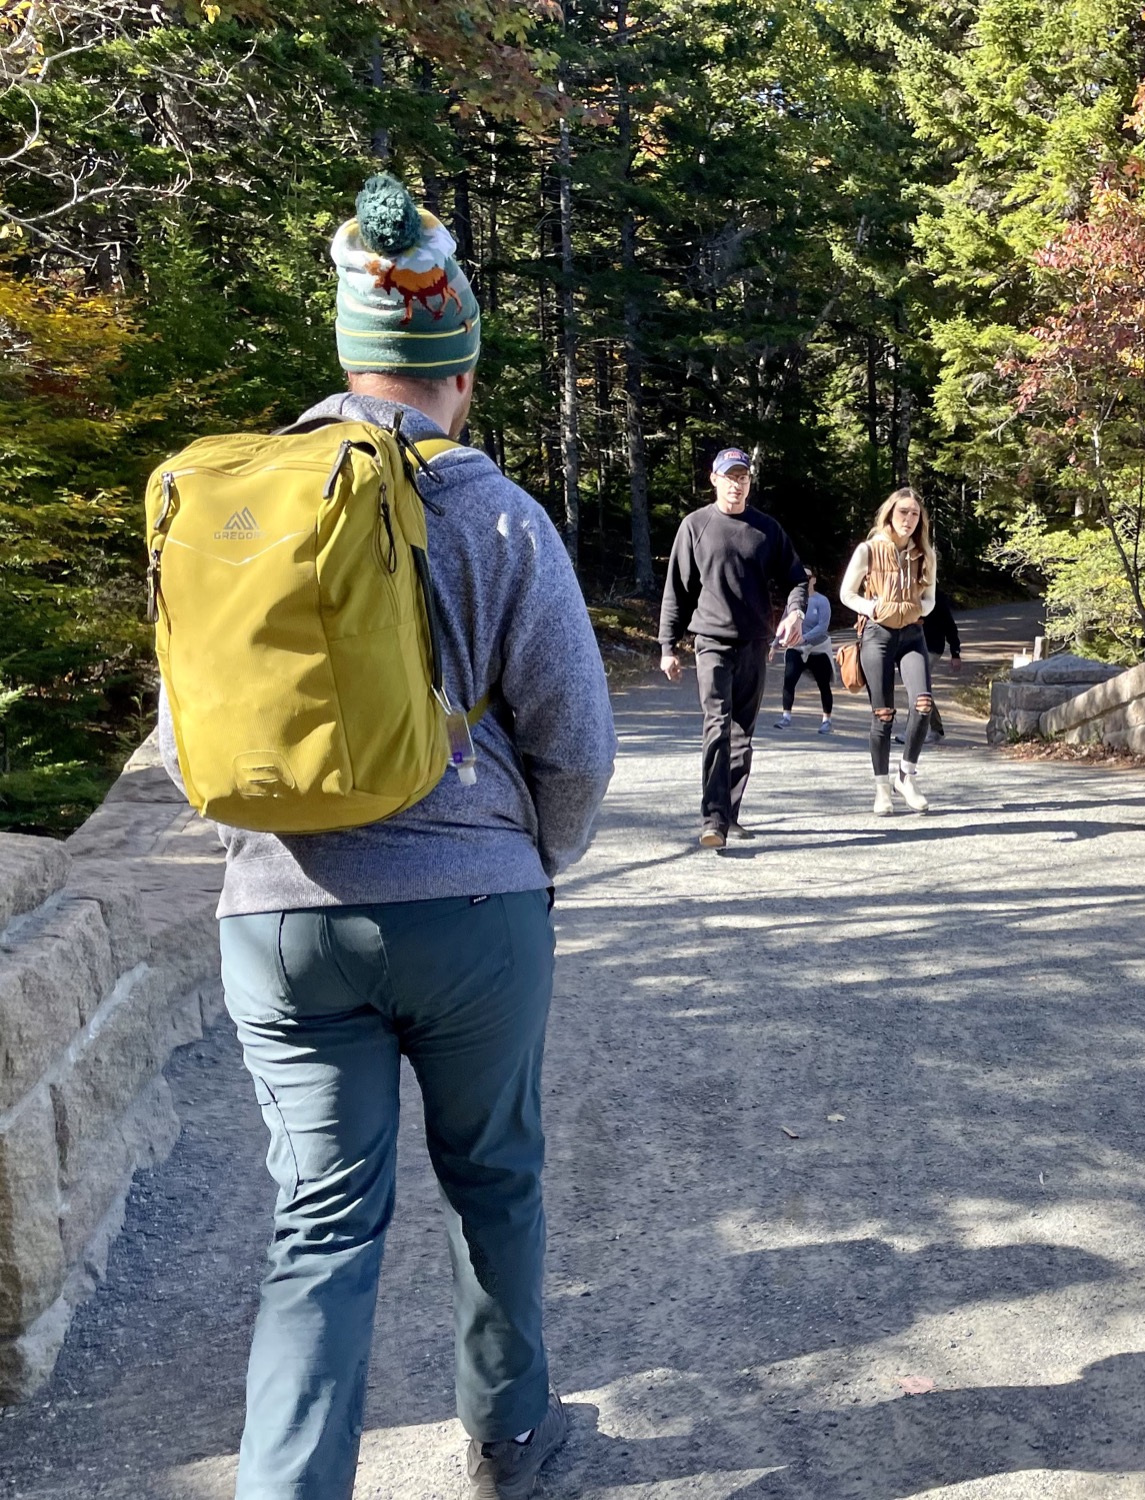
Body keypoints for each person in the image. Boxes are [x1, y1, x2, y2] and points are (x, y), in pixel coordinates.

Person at [157, 175, 617, 1500]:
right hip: (474, 913)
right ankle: (511, 1439)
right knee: (495, 1182)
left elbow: (199, 744)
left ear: (349, 357)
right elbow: (576, 749)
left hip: (278, 917)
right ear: (456, 372)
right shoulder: (497, 513)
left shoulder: (230, 509)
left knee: (317, 1226)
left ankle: (288, 1485)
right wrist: (530, 864)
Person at [658, 447, 808, 849]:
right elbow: (677, 590)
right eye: (729, 478)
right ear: (714, 480)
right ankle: (713, 819)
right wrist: (667, 646)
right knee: (717, 725)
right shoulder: (696, 526)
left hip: (756, 644)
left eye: (743, 478)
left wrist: (795, 613)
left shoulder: (766, 530)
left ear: (749, 483)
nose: (736, 485)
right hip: (710, 642)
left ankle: (730, 814)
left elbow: (797, 578)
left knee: (743, 732)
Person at [839, 487, 938, 814]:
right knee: (883, 715)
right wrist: (873, 608)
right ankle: (882, 787)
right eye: (903, 513)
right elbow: (846, 593)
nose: (908, 519)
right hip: (877, 634)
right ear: (890, 515)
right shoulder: (869, 550)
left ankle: (905, 776)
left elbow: (931, 597)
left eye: (914, 514)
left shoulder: (925, 553)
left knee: (923, 705)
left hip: (912, 635)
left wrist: (918, 611)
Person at [777, 567, 835, 734]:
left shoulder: (821, 601)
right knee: (789, 681)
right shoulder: (794, 600)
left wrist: (805, 638)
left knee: (823, 684)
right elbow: (784, 620)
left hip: (818, 649)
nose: (805, 580)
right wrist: (774, 644)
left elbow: (823, 626)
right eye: (802, 577)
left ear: (814, 580)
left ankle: (826, 720)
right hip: (796, 647)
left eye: (808, 577)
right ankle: (786, 716)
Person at [920, 585, 962, 741]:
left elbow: (950, 626)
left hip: (932, 647)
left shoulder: (937, 596)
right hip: (914, 647)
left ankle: (917, 732)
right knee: (920, 689)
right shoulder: (910, 592)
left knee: (919, 688)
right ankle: (937, 729)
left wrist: (955, 653)